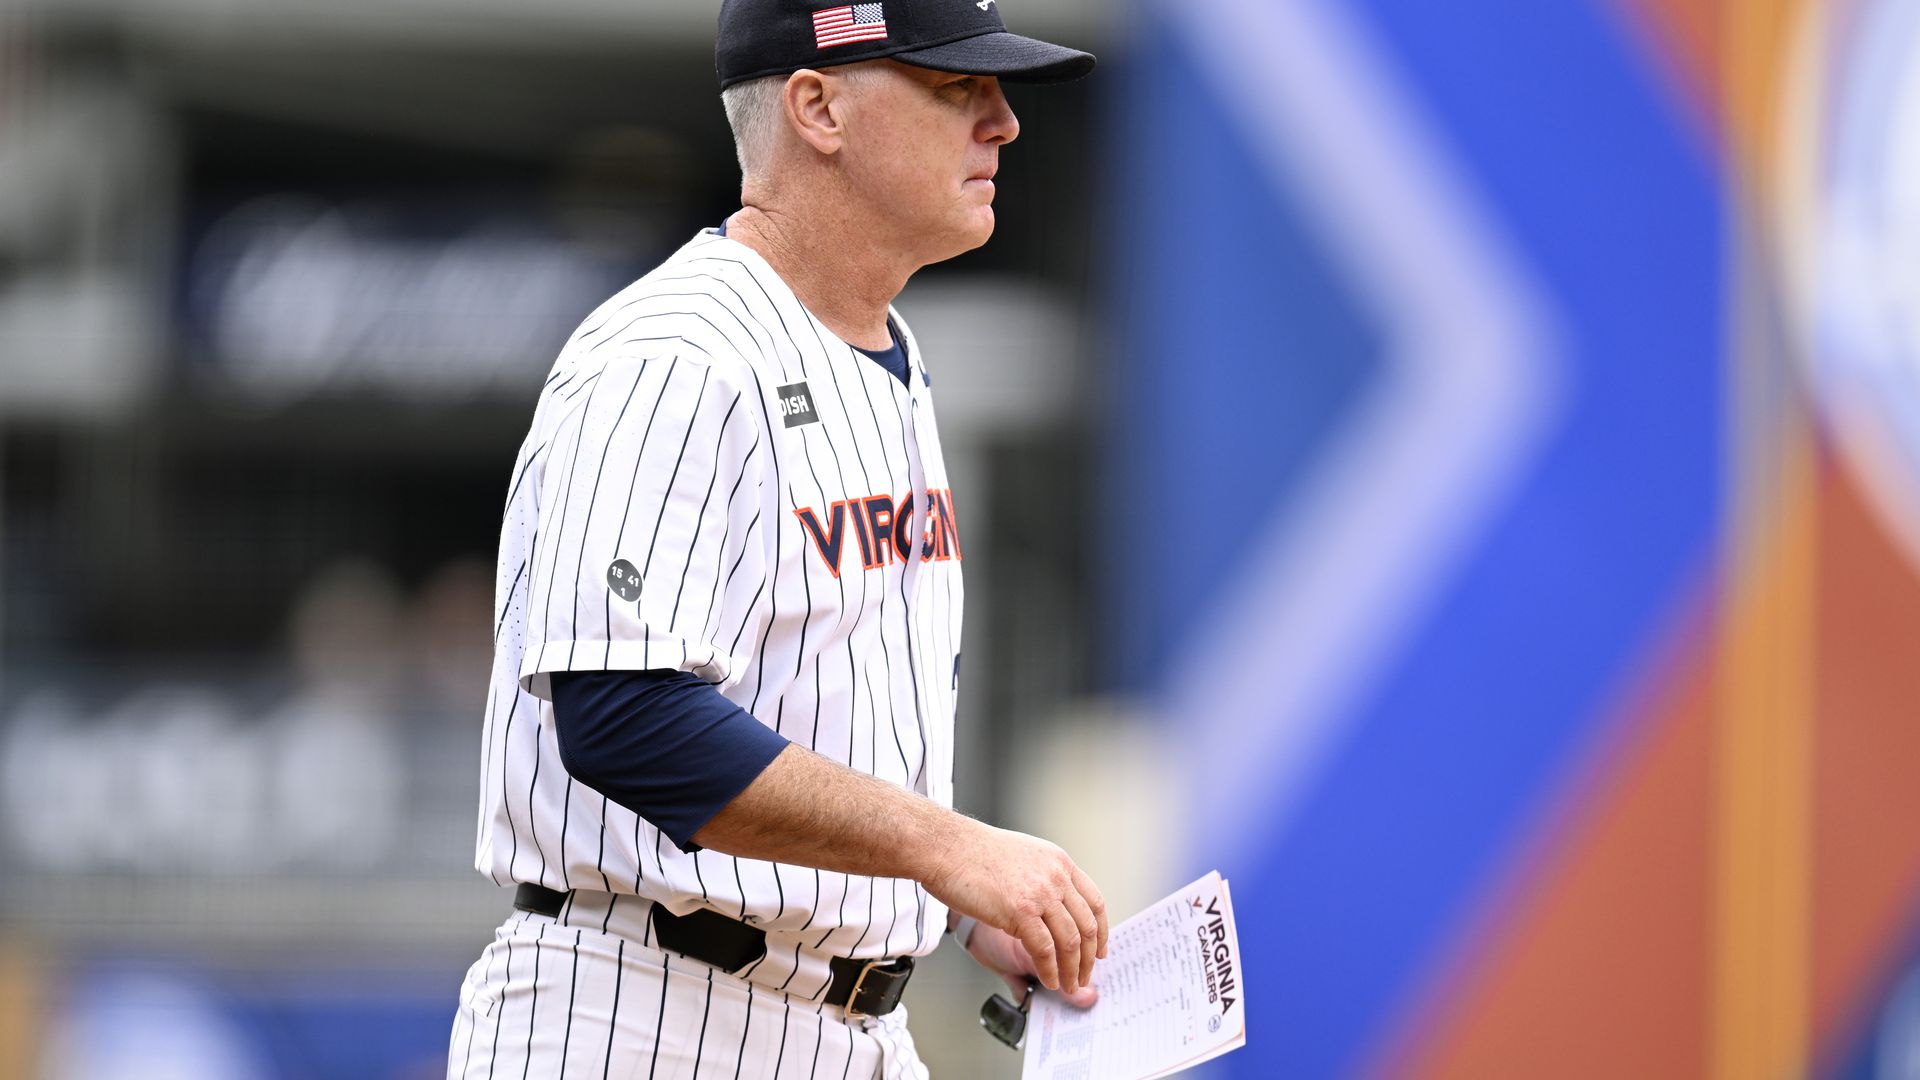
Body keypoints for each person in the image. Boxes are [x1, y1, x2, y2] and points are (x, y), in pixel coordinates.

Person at [448, 2, 1105, 1076]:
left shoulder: (886, 352)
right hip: (643, 1013)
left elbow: (818, 709)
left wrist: (946, 897)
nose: (1003, 121)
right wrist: (949, 848)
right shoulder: (676, 353)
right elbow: (623, 719)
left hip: (846, 1026)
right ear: (818, 108)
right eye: (955, 87)